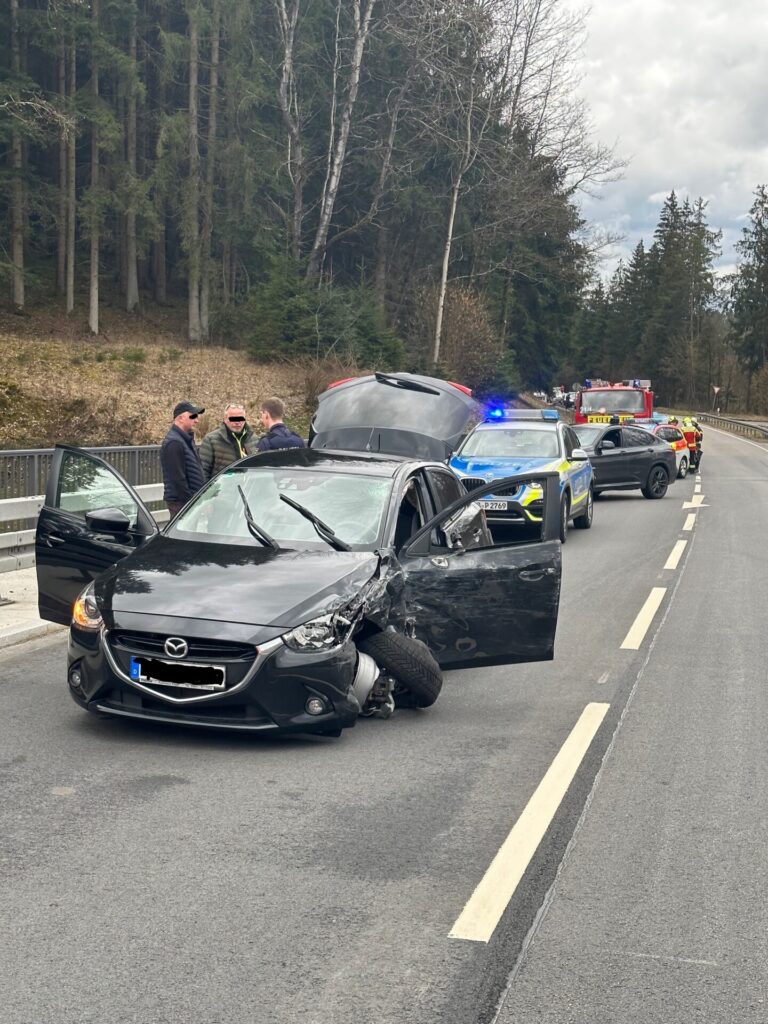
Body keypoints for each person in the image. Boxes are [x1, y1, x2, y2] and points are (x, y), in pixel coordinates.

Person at [160, 400, 205, 519]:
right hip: (182, 504)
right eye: (193, 416)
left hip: (189, 502)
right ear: (180, 418)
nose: (196, 420)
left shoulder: (185, 439)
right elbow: (178, 479)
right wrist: (191, 503)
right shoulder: (174, 443)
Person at [199, 402, 259, 481]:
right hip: (222, 487)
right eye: (233, 419)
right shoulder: (211, 439)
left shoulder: (254, 439)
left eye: (240, 418)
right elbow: (203, 471)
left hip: (249, 486)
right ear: (225, 419)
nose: (237, 422)